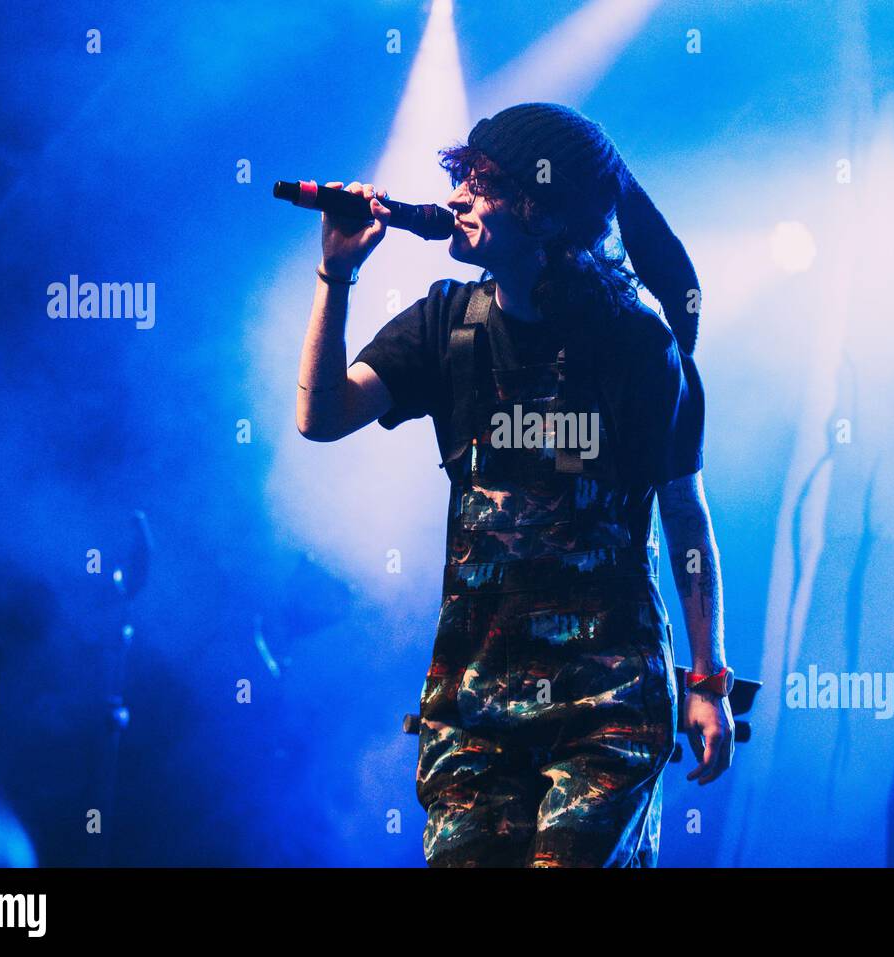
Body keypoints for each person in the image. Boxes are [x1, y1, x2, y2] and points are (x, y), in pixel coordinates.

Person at [296, 103, 731, 867]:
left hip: (606, 702)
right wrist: (337, 271)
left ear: (541, 209)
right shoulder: (444, 324)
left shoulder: (637, 346)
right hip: (473, 705)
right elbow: (322, 416)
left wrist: (708, 679)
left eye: (480, 182)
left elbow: (685, 519)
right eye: (459, 178)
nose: (457, 197)